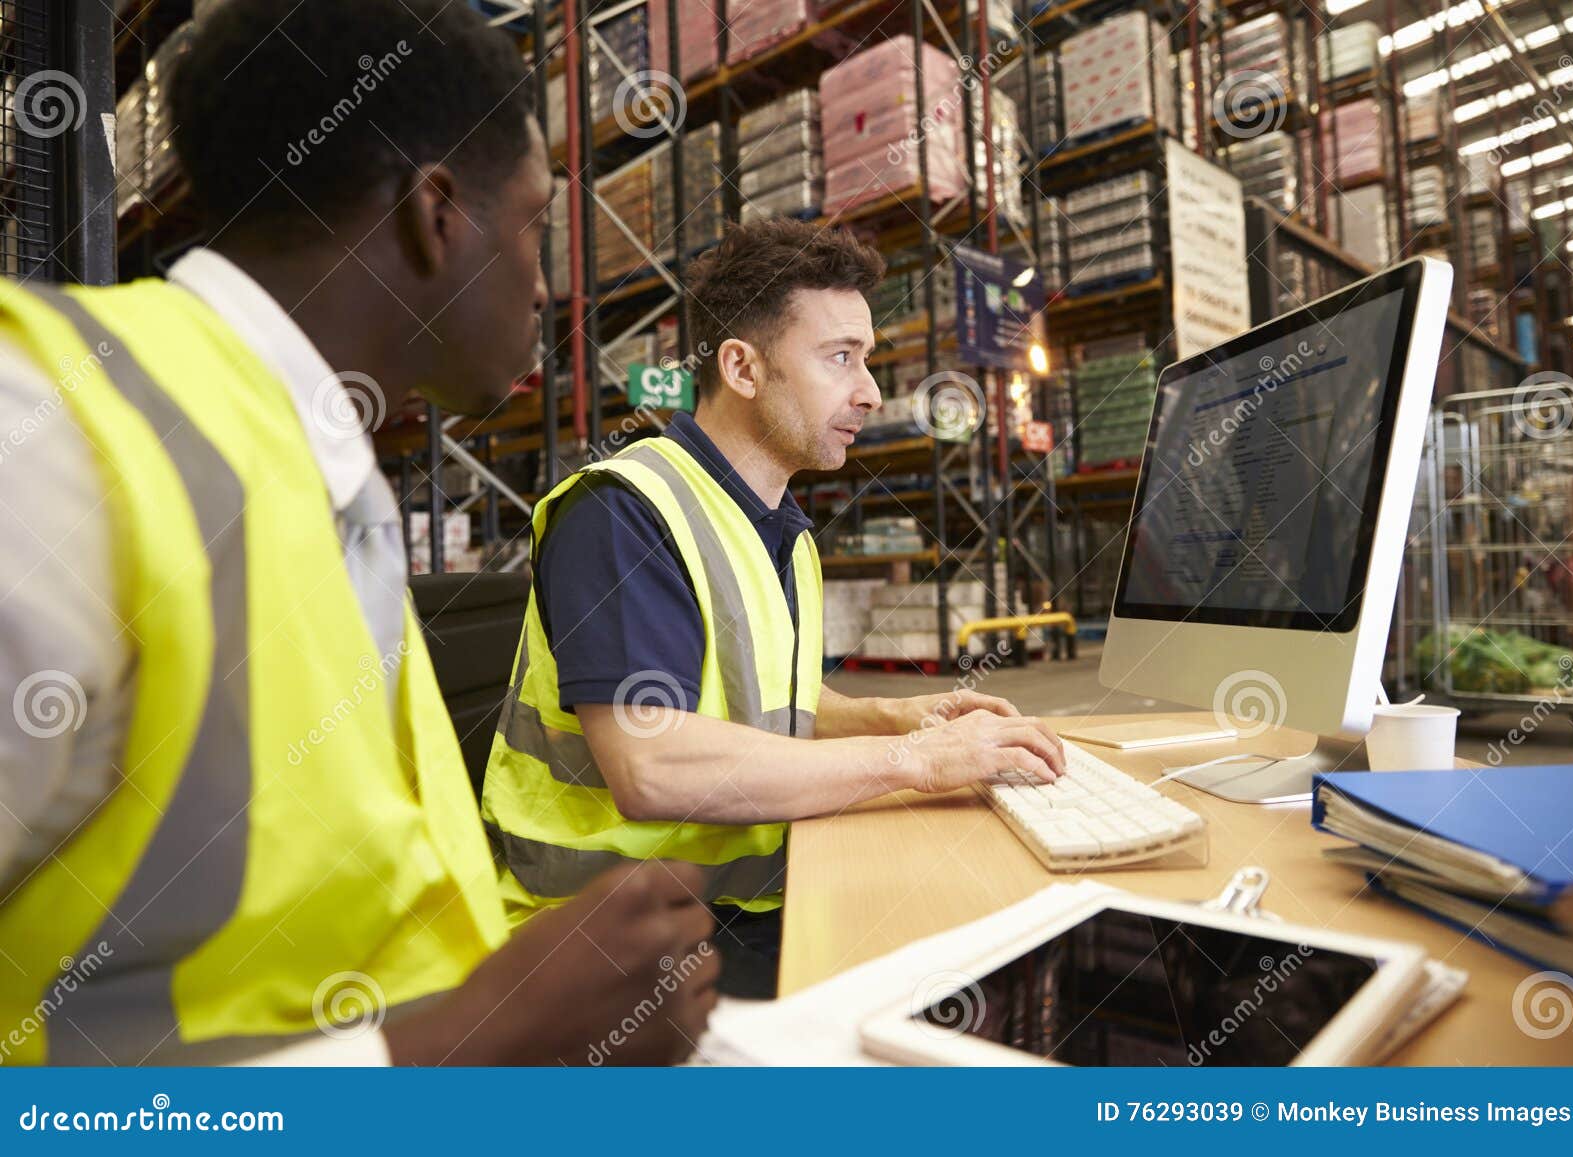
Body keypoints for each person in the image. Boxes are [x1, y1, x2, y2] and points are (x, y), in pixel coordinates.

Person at [0, 0, 716, 1066]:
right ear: (437, 214)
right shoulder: (44, 437)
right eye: (533, 225)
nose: (543, 283)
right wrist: (462, 1041)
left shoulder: (327, 474)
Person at [480, 219, 1066, 994]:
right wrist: (912, 763)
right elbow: (649, 764)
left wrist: (905, 718)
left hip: (733, 904)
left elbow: (773, 703)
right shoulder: (624, 511)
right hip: (602, 938)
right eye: (839, 359)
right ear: (743, 368)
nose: (871, 391)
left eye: (868, 358)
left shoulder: (780, 530)